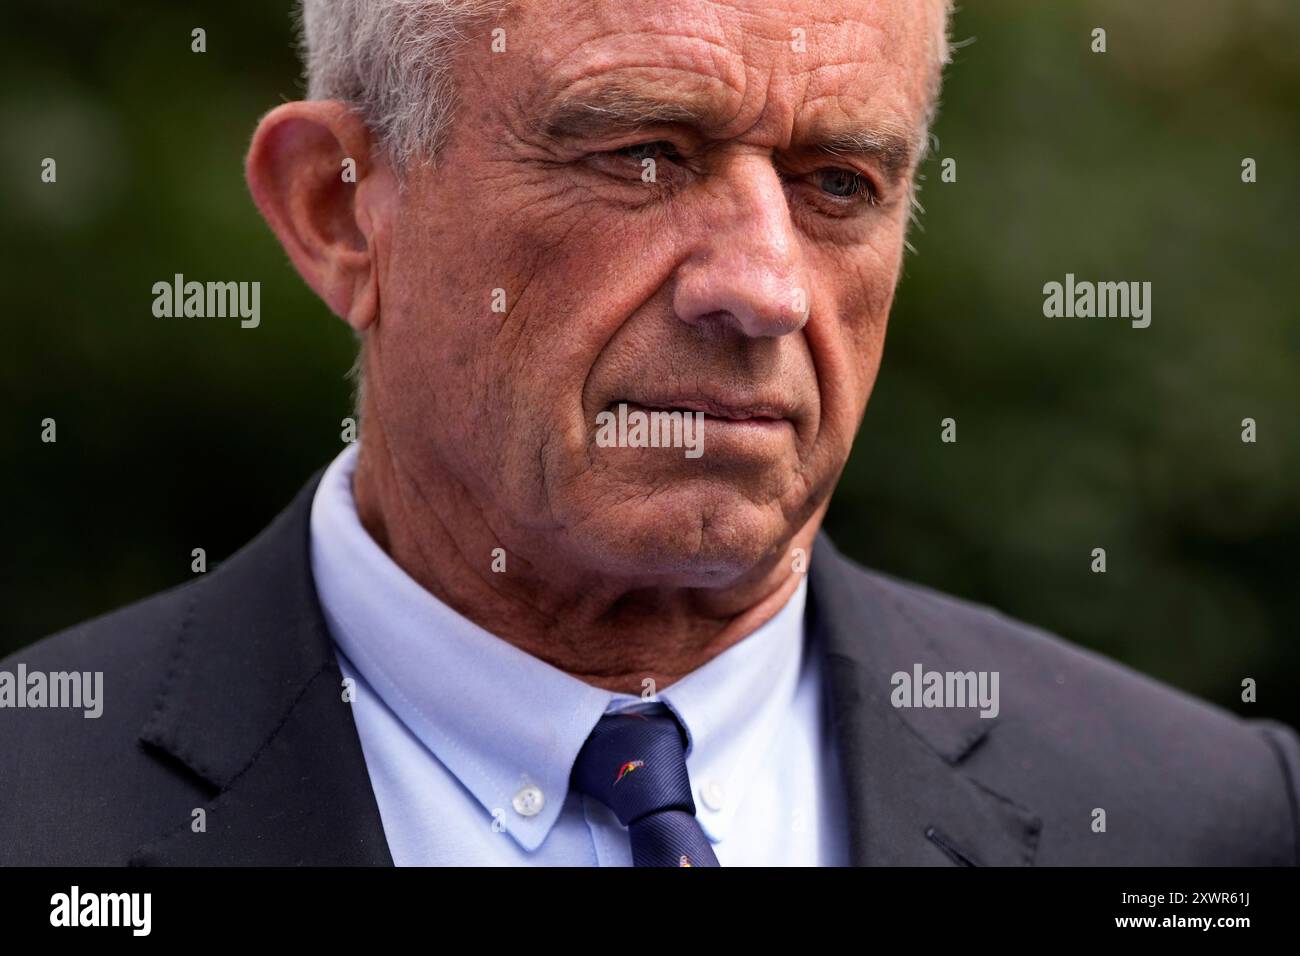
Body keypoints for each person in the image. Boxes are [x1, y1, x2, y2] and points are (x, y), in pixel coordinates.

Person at [2, 0, 1296, 867]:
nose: (765, 286)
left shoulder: (1201, 820)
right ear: (341, 211)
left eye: (839, 183)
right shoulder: (36, 808)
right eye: (643, 157)